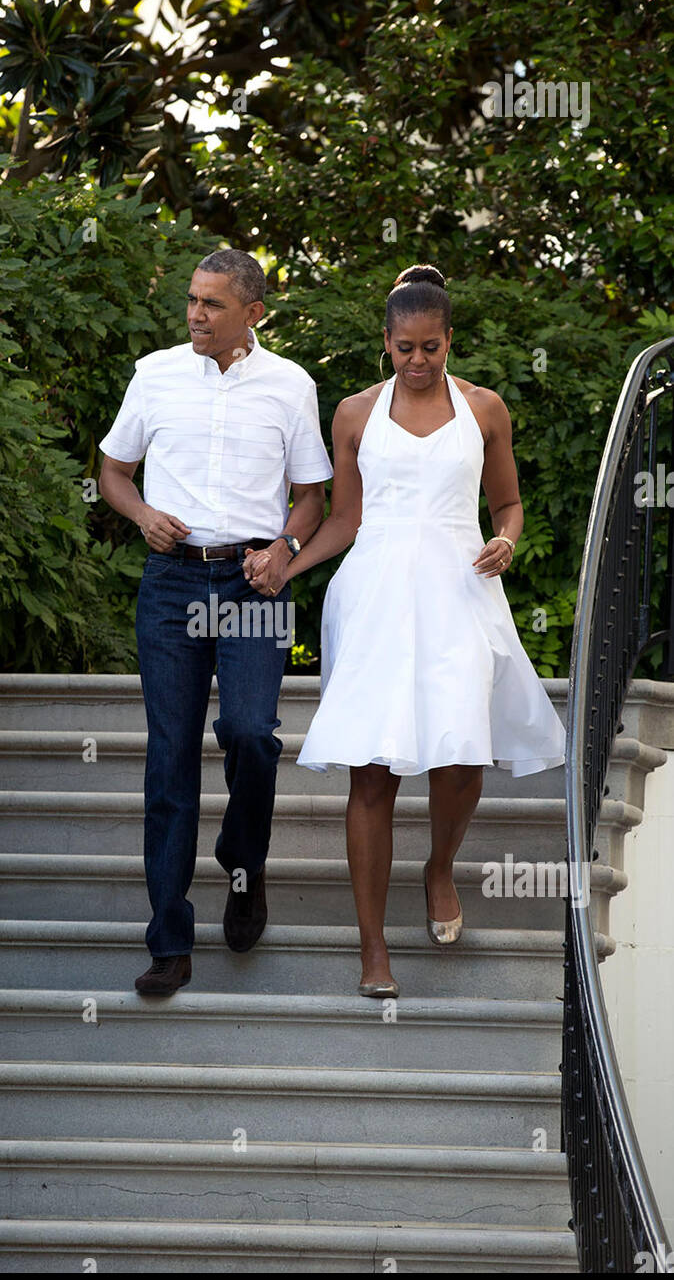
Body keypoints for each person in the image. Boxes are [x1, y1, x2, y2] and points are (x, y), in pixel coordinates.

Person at [243, 264, 566, 998]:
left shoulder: (486, 409)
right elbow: (346, 519)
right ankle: (373, 949)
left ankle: (441, 864)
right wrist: (287, 564)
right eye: (404, 348)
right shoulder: (355, 413)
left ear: (450, 340)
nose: (418, 362)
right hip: (376, 596)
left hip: (461, 589)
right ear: (384, 342)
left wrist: (508, 540)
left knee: (460, 759)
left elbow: (509, 505)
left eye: (431, 348)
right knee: (373, 771)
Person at [98, 249, 333, 995]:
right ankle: (170, 942)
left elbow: (312, 496)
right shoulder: (155, 373)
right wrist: (140, 516)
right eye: (192, 301)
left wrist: (286, 550)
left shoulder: (292, 385)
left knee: (252, 736)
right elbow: (112, 473)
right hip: (171, 583)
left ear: (253, 314)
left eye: (212, 304)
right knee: (169, 762)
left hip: (254, 582)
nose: (196, 314)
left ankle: (243, 862)